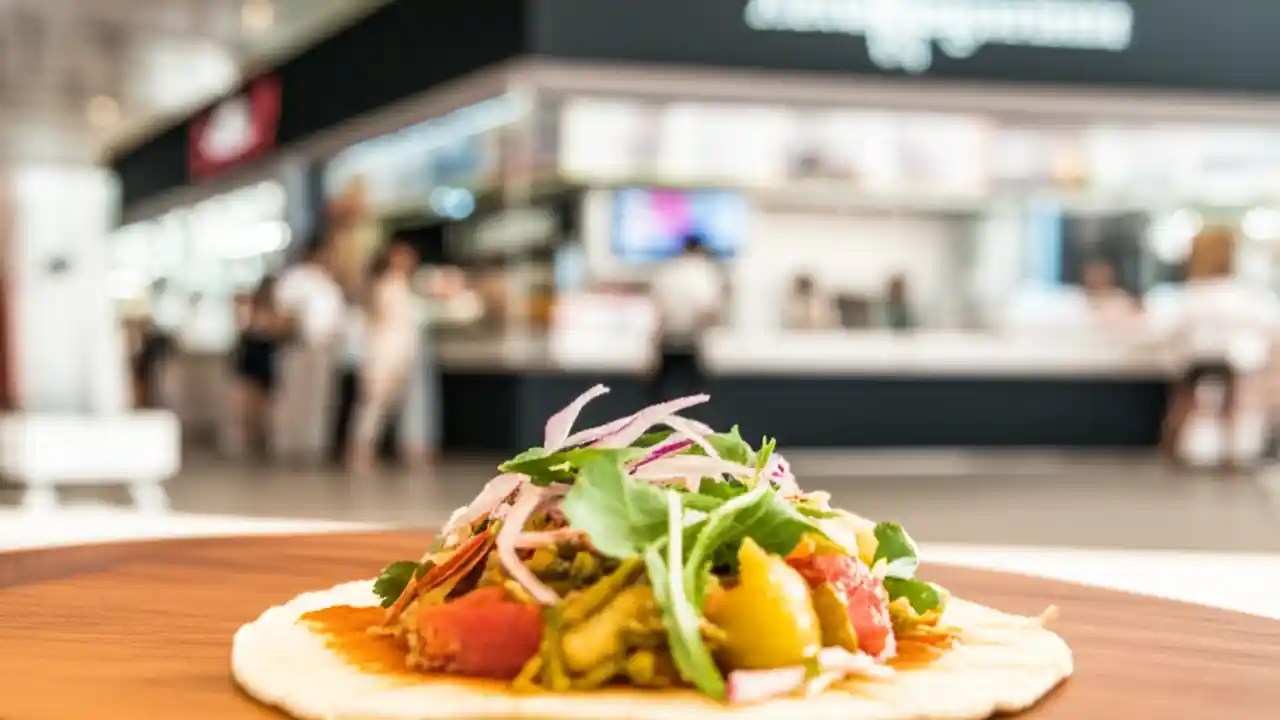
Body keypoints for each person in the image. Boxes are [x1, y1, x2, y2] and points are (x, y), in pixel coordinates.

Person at [1160, 227, 1279, 468]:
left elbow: (1169, 328)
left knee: (1183, 402)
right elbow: (1268, 326)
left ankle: (1170, 450)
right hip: (1229, 361)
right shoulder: (1241, 294)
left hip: (1195, 360)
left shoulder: (1191, 293)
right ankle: (1231, 456)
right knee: (1231, 406)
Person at [349, 242, 423, 473]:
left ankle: (377, 450)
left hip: (401, 355)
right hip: (384, 356)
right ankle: (360, 451)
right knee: (374, 405)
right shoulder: (386, 286)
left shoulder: (404, 286)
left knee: (387, 407)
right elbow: (378, 324)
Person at [273, 241, 345, 465]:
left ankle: (312, 446)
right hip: (299, 346)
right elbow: (284, 312)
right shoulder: (296, 279)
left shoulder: (328, 282)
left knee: (319, 400)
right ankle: (288, 445)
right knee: (294, 397)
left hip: (324, 349)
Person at [649, 234, 723, 399]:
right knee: (697, 396)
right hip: (693, 339)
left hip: (667, 339)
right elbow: (707, 310)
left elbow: (659, 310)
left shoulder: (667, 271)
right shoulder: (705, 271)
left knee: (660, 398)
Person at [233, 277, 284, 459]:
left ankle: (260, 437)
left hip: (264, 358)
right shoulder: (250, 309)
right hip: (252, 356)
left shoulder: (275, 312)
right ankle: (249, 437)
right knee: (249, 400)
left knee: (263, 402)